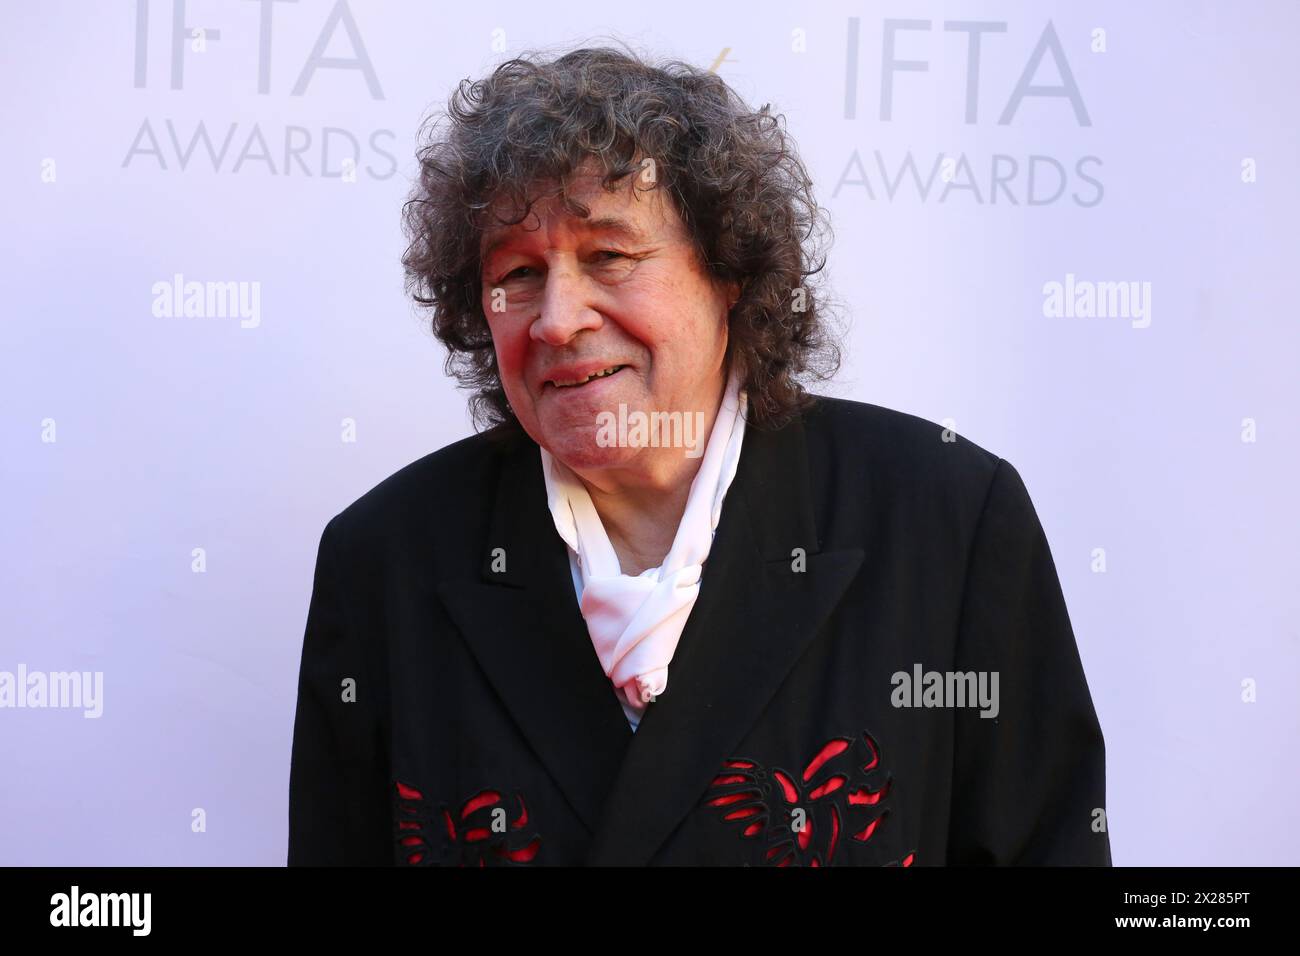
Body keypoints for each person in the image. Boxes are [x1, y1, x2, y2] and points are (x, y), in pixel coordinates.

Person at [287, 45, 1111, 867]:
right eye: (520, 273)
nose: (557, 319)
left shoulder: (946, 522)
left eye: (608, 256)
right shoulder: (384, 560)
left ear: (729, 273)